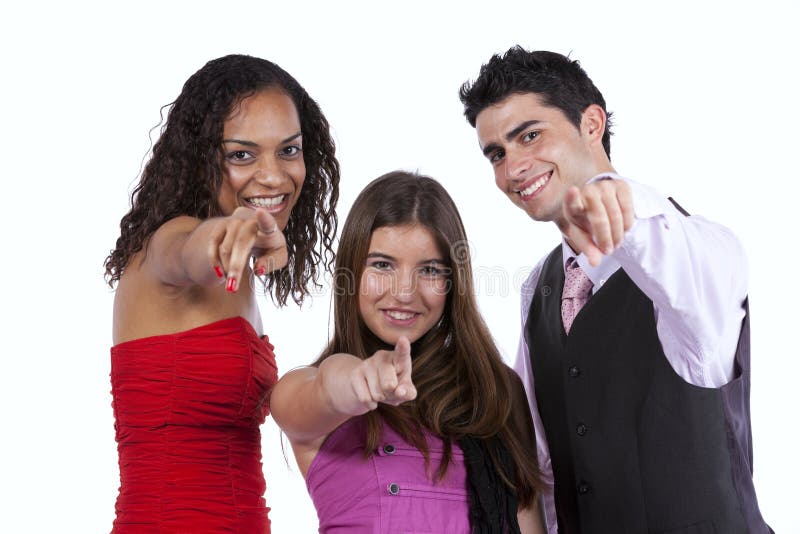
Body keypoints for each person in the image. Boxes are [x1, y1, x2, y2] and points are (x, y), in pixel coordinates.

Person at [459, 47, 771, 534]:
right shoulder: (537, 289)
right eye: (497, 153)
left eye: (530, 135)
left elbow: (674, 260)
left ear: (591, 124)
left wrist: (617, 200)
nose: (513, 168)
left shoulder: (705, 251)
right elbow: (545, 468)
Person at [104, 54, 339, 533]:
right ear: (199, 158)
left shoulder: (241, 271)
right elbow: (190, 250)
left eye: (289, 150)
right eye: (242, 155)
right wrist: (233, 229)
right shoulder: (167, 247)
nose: (273, 176)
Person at [271, 171, 544, 533]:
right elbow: (327, 387)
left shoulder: (496, 391)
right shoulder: (300, 391)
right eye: (382, 265)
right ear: (351, 271)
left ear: (452, 282)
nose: (404, 292)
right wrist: (360, 380)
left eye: (429, 270)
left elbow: (527, 521)